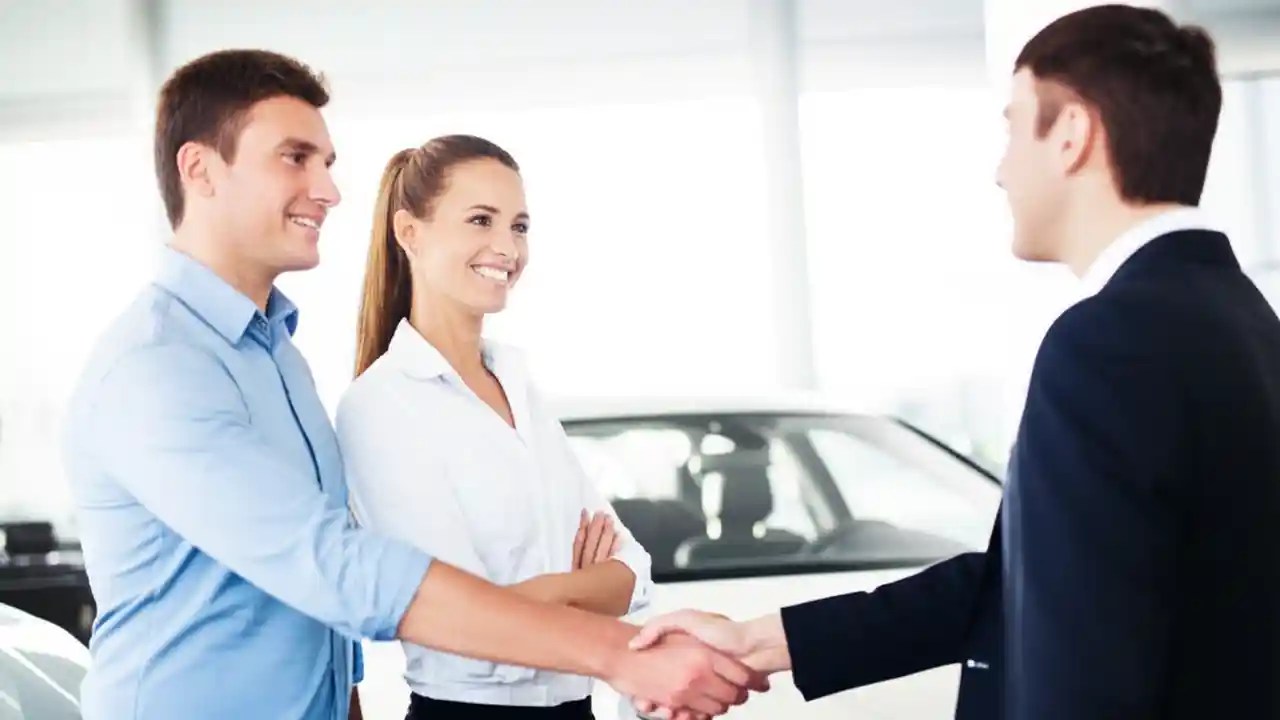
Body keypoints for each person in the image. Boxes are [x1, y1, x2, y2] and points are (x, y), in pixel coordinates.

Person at [61, 49, 763, 720]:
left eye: (328, 163)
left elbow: (324, 618)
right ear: (201, 170)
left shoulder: (276, 356)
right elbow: (336, 569)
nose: (331, 191)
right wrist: (621, 653)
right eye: (295, 159)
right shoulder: (155, 368)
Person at [631, 5, 1280, 719]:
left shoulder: (1106, 343)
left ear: (1071, 134)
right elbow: (1027, 579)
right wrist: (761, 640)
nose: (1001, 170)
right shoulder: (1240, 320)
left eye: (1011, 126)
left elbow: (1087, 665)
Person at [334, 134, 654, 720]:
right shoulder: (380, 406)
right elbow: (462, 633)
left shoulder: (519, 384)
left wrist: (526, 601)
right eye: (481, 220)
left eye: (520, 226)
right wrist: (577, 588)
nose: (506, 247)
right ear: (409, 232)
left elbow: (634, 572)